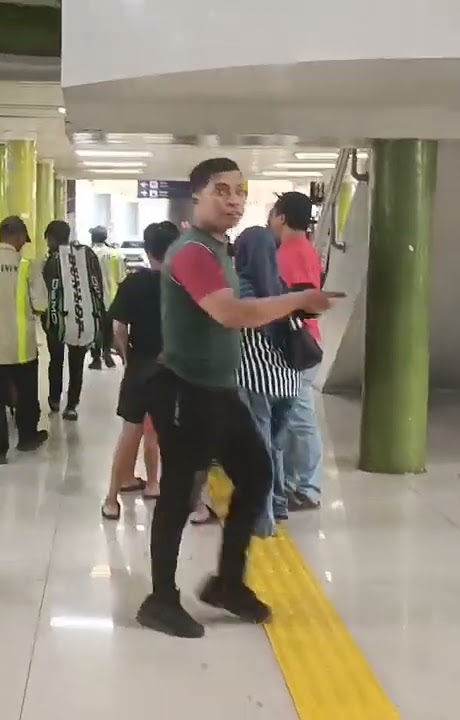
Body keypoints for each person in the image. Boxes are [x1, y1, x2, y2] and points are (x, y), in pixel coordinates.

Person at [137, 158, 340, 638]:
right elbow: (229, 313)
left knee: (256, 473)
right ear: (198, 196)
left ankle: (228, 582)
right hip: (184, 388)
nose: (234, 200)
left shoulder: (218, 247)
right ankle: (160, 599)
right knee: (179, 495)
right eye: (222, 190)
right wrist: (297, 300)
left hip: (218, 389)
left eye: (240, 192)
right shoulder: (192, 252)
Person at [101, 221, 178, 520]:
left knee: (130, 433)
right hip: (173, 367)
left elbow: (119, 327)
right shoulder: (182, 285)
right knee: (167, 435)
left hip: (141, 365)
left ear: (147, 250)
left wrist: (127, 356)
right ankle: (159, 487)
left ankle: (111, 500)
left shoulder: (133, 283)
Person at [232, 226, 302, 536]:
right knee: (275, 446)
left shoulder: (240, 289)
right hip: (288, 380)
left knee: (258, 452)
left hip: (257, 380)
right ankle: (278, 504)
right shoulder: (281, 285)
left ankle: (263, 521)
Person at [0, 216, 50, 465]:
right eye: (22, 241)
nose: (22, 245)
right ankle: (26, 437)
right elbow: (41, 304)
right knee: (26, 394)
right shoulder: (28, 266)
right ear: (16, 237)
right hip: (20, 346)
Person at [270, 191, 327, 511]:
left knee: (301, 419)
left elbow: (303, 303)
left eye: (272, 213)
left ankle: (307, 487)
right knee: (292, 417)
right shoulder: (298, 249)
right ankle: (295, 482)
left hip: (298, 346)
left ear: (281, 217)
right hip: (298, 342)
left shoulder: (293, 252)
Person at [42, 220, 105, 420]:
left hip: (56, 321)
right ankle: (71, 405)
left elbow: (46, 294)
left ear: (50, 238)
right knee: (76, 363)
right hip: (82, 318)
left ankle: (54, 398)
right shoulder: (86, 255)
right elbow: (97, 287)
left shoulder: (52, 261)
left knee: (56, 360)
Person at [89, 226, 124, 370]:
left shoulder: (88, 253)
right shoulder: (115, 254)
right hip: (111, 298)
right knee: (108, 327)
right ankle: (107, 354)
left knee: (95, 328)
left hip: (93, 298)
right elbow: (121, 277)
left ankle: (96, 358)